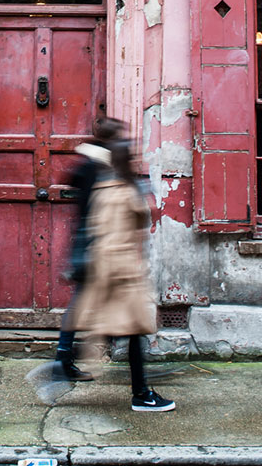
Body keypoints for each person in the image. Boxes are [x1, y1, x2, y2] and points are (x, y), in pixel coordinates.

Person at [67, 124, 175, 413]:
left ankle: (65, 364)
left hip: (113, 270)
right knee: (131, 331)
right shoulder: (123, 191)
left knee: (113, 329)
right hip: (122, 274)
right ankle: (141, 394)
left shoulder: (106, 188)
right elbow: (123, 229)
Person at [53, 118, 125, 381]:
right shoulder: (100, 167)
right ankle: (65, 360)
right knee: (93, 302)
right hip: (96, 242)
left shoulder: (88, 163)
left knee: (83, 303)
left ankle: (64, 359)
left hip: (86, 240)